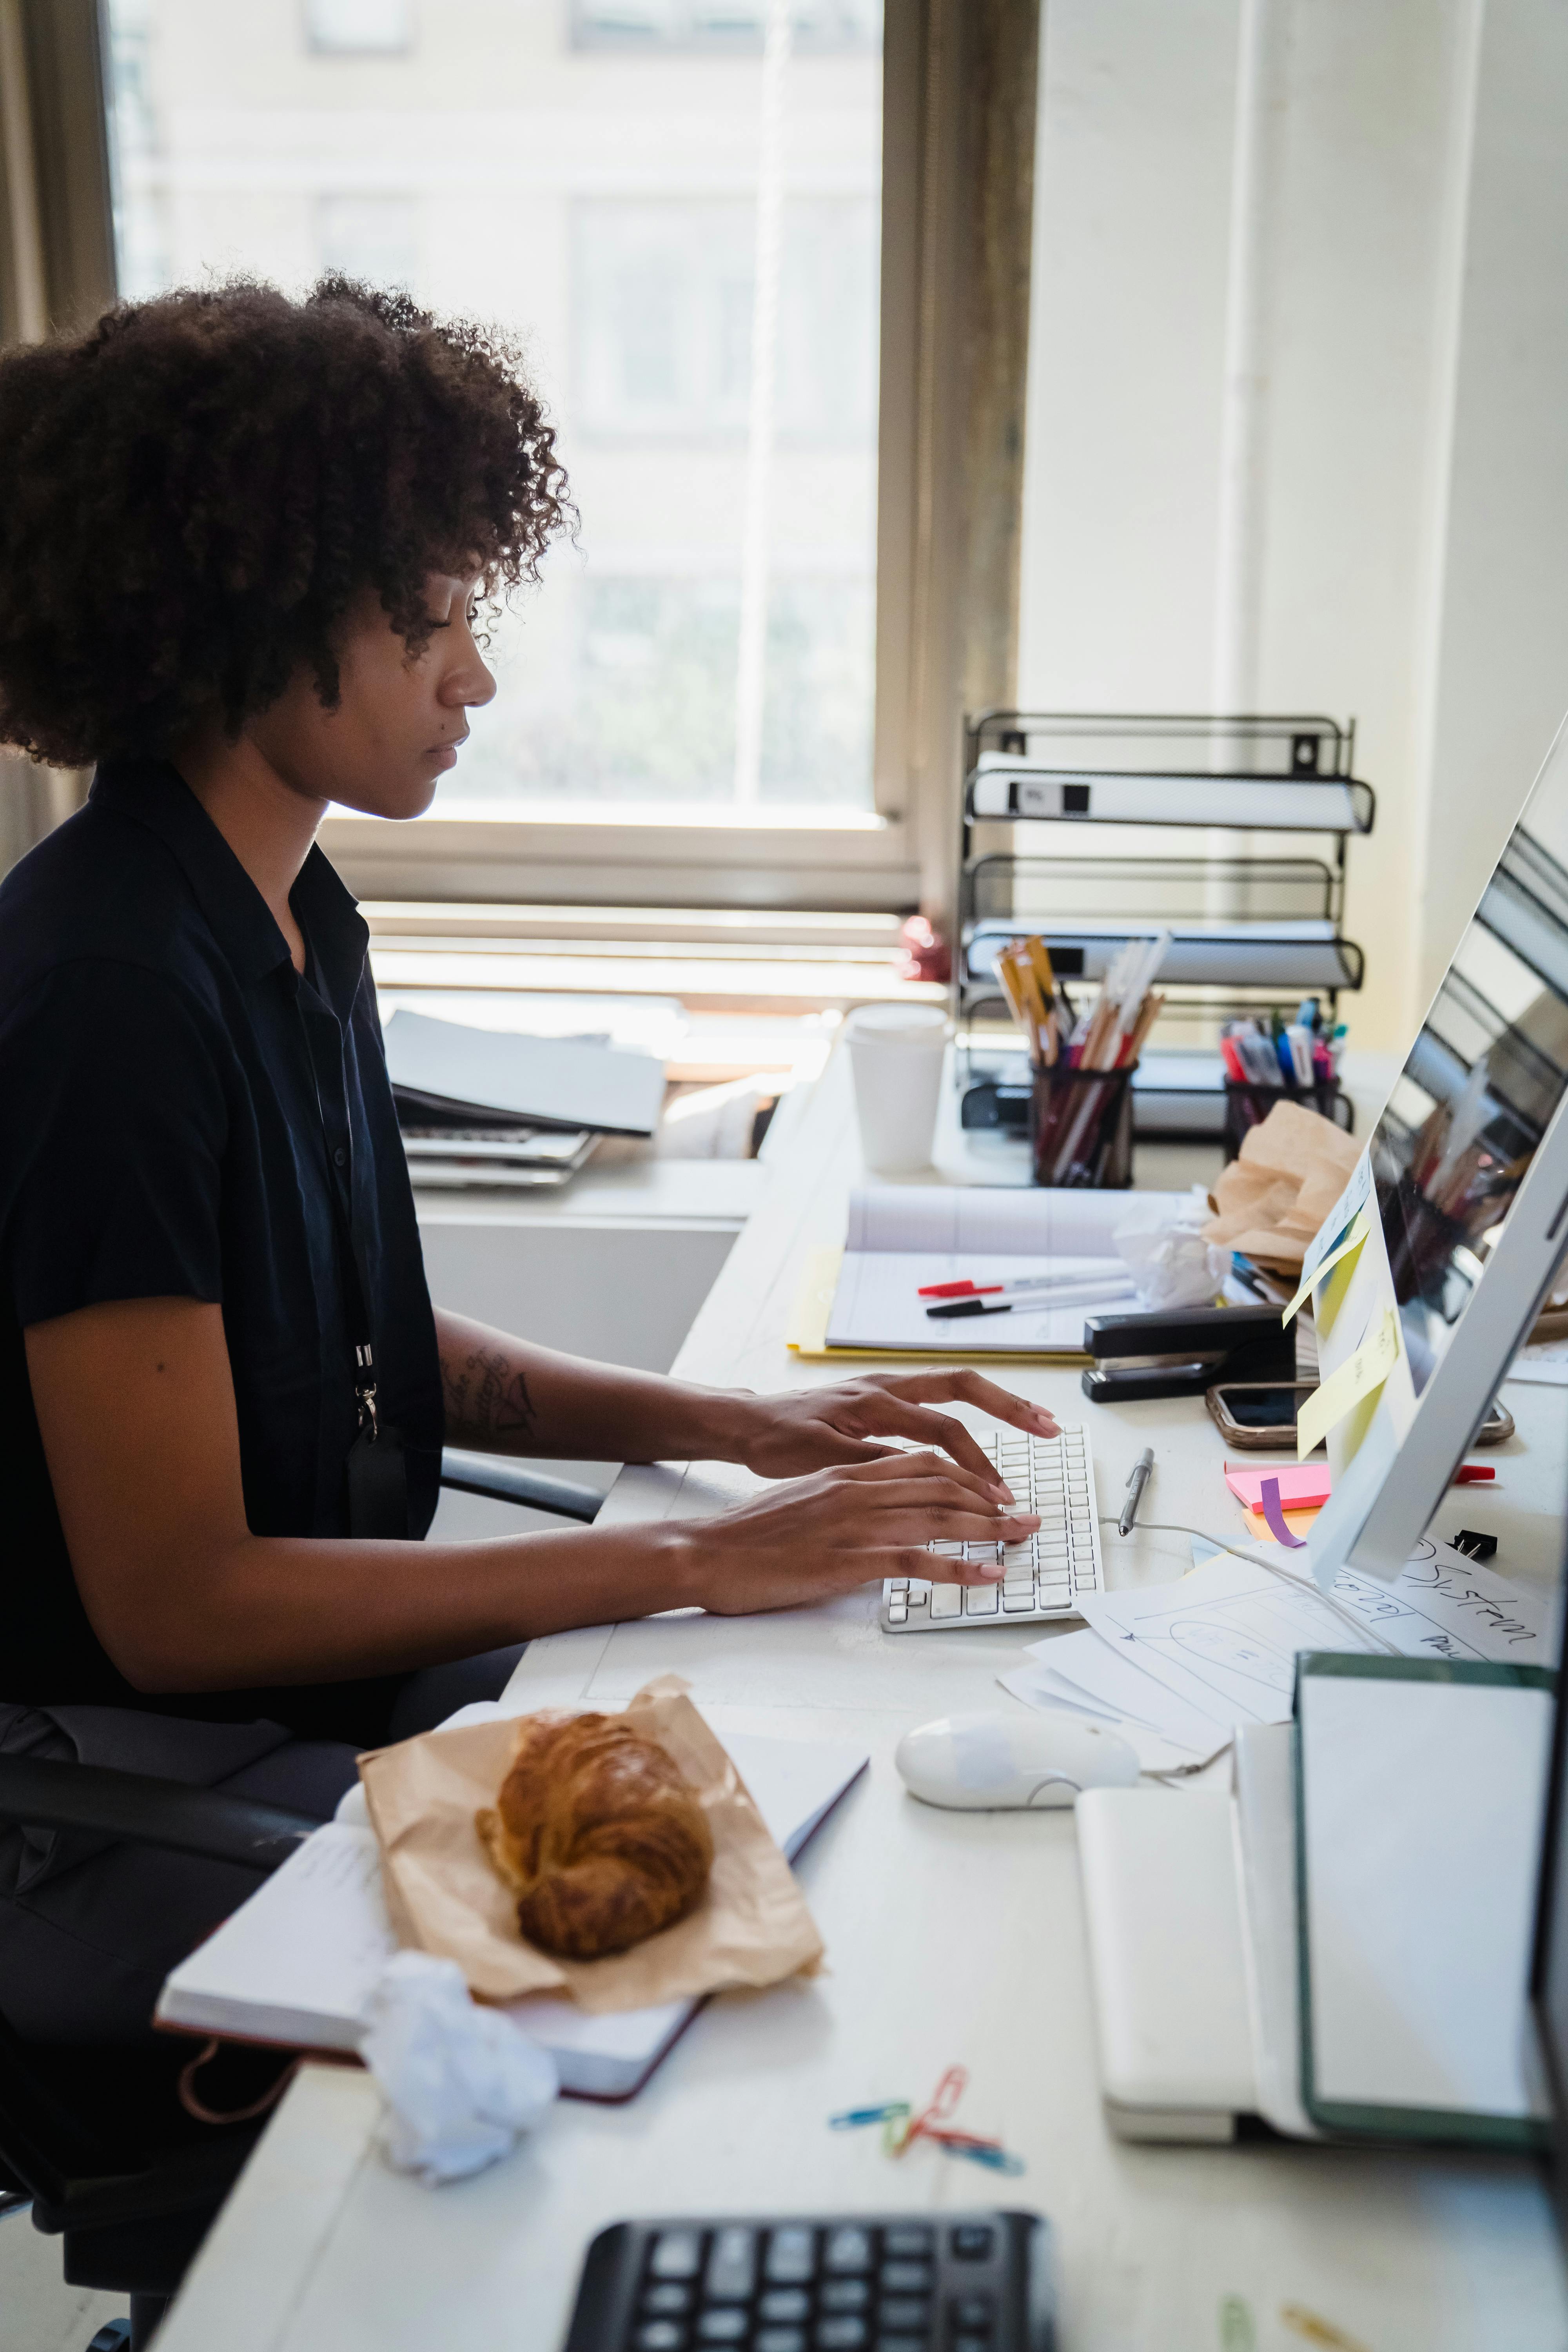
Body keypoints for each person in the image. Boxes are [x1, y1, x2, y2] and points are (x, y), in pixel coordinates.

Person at [0, 278, 1053, 2055]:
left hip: (300, 1714)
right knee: (727, 1974)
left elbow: (373, 1343)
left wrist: (739, 1430)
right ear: (248, 621)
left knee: (826, 1741)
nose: (473, 676)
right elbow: (177, 1607)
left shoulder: (288, 924)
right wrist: (692, 1563)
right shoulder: (105, 995)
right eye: (427, 626)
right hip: (114, 1798)